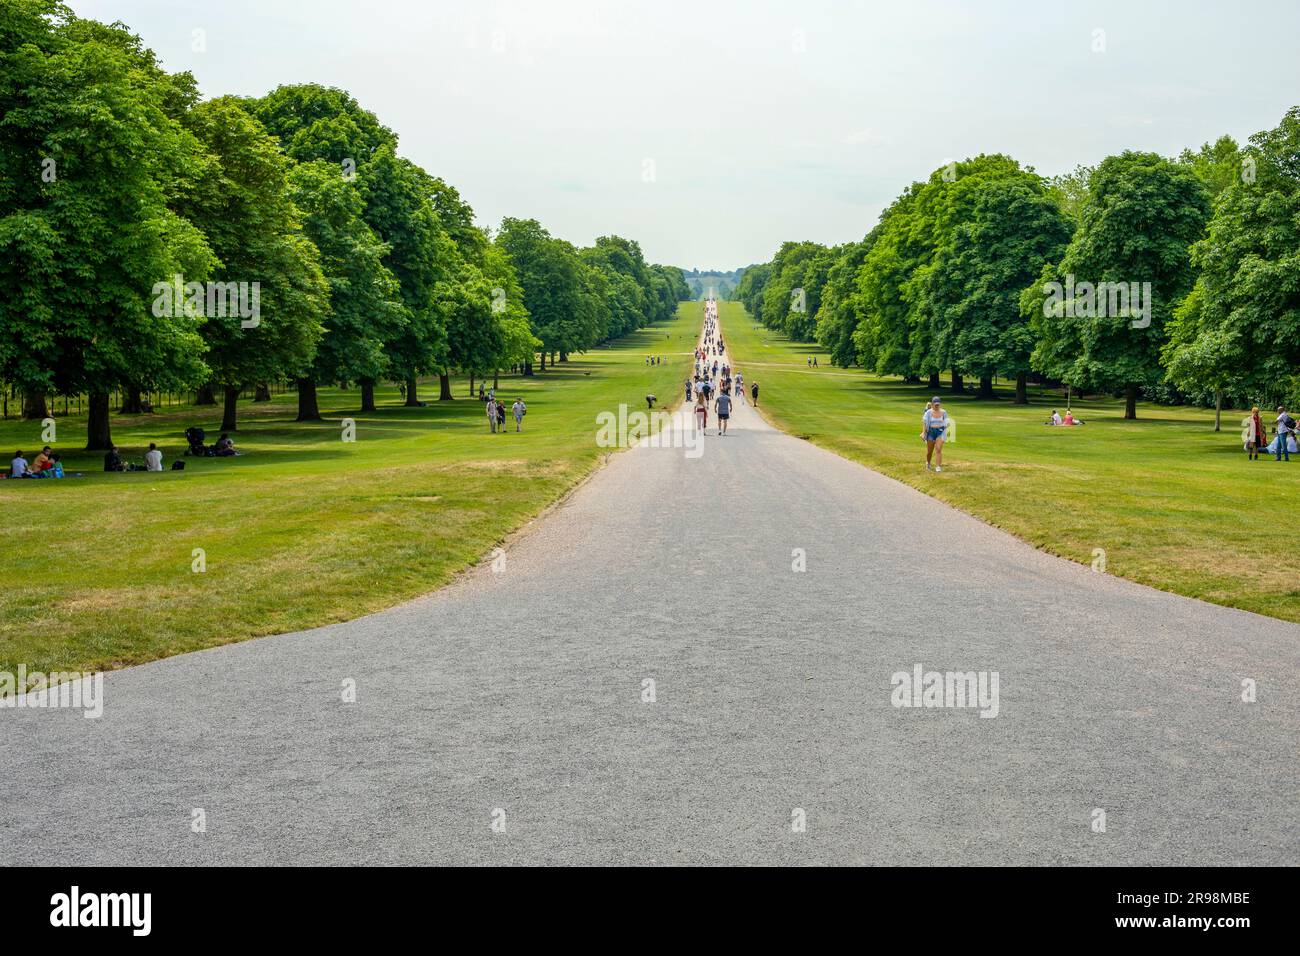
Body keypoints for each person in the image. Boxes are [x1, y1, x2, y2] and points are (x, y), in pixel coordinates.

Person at [923, 396, 948, 472]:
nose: (937, 406)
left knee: (938, 449)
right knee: (929, 451)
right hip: (930, 432)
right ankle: (928, 463)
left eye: (938, 404)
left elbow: (946, 423)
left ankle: (938, 466)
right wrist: (924, 433)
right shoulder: (928, 412)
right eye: (935, 404)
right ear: (932, 404)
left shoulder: (944, 412)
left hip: (940, 432)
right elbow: (924, 423)